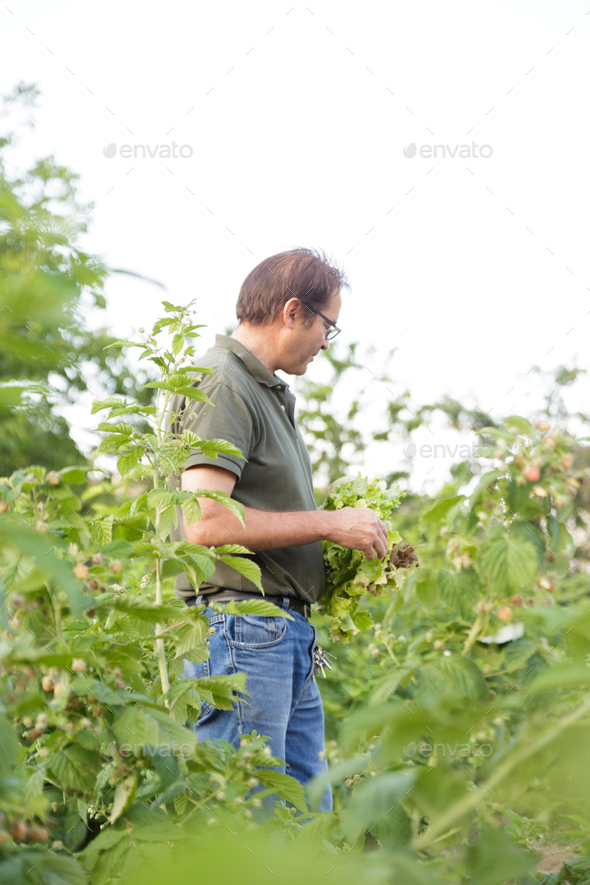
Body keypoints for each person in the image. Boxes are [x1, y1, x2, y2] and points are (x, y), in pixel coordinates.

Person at [166, 247, 389, 813]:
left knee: (306, 820)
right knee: (249, 819)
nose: (325, 343)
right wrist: (329, 524)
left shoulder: (264, 391)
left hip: (279, 633)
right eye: (327, 326)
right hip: (242, 629)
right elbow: (204, 520)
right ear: (294, 311)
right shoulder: (222, 383)